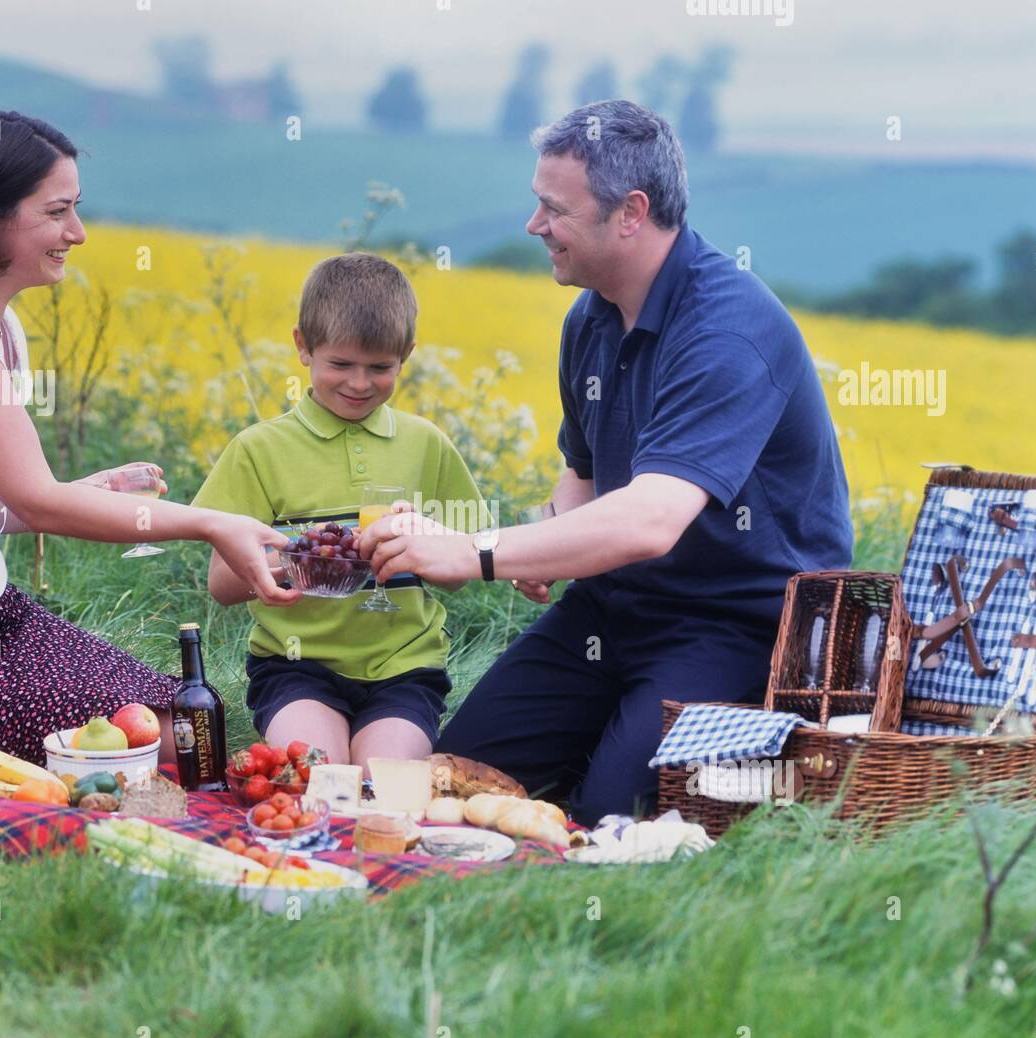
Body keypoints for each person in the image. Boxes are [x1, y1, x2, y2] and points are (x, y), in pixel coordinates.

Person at [358, 100, 853, 824]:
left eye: (553, 209)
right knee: (453, 785)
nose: (534, 226)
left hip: (737, 625)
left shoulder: (729, 329)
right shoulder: (589, 317)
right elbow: (585, 477)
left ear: (631, 213)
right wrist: (545, 540)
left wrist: (476, 551)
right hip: (611, 607)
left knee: (612, 819)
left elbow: (652, 519)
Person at [0, 109, 297, 767]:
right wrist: (210, 523)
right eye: (56, 212)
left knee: (191, 720)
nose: (79, 233)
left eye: (77, 209)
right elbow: (35, 503)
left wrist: (81, 491)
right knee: (170, 748)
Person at [193, 253, 489, 770]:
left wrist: (425, 539)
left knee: (385, 786)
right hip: (296, 666)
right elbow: (222, 585)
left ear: (407, 356)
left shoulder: (427, 445)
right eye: (341, 365)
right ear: (303, 347)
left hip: (405, 667)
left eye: (380, 368)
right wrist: (306, 564)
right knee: (320, 778)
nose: (359, 383)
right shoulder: (258, 449)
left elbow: (462, 572)